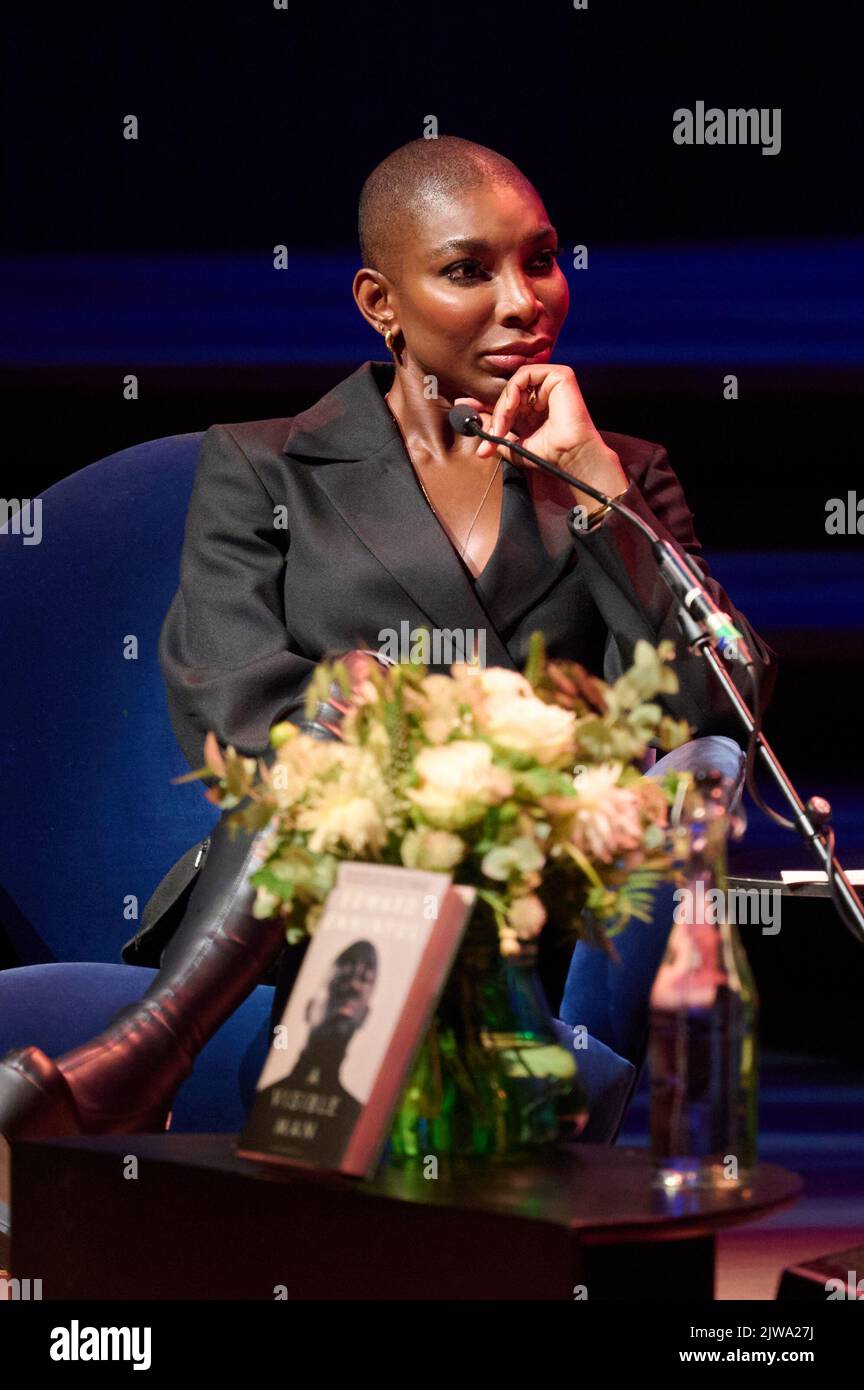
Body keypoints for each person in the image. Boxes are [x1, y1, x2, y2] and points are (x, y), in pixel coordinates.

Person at [0, 135, 774, 1146]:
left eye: (539, 260)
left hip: (526, 899)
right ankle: (180, 1058)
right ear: (380, 303)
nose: (522, 300)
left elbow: (727, 702)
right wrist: (401, 742)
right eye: (467, 270)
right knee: (332, 729)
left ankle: (145, 1057)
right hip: (291, 907)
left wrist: (591, 484)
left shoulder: (619, 471)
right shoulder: (266, 471)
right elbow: (232, 719)